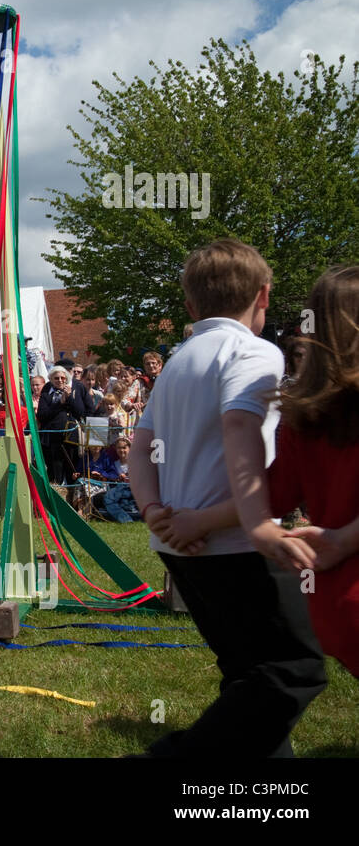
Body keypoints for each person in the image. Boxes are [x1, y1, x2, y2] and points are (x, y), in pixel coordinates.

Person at [129, 238, 326, 757]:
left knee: (248, 675)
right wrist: (219, 522)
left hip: (179, 544)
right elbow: (242, 429)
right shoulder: (255, 351)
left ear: (191, 306)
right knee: (293, 670)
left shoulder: (177, 359)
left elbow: (140, 447)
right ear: (263, 296)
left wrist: (154, 513)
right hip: (234, 541)